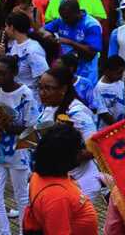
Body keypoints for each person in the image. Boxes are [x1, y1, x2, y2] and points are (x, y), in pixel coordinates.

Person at [0, 55, 36, 233]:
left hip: (19, 152)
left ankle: (22, 231)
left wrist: (6, 126)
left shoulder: (25, 94)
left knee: (22, 196)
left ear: (14, 73)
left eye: (2, 74)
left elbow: (30, 126)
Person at [35, 66, 102, 198]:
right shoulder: (49, 107)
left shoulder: (77, 113)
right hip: (59, 181)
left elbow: (94, 149)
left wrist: (62, 157)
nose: (42, 92)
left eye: (48, 88)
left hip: (82, 184)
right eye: (40, 87)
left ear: (63, 89)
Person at [22, 124, 99, 235]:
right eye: (78, 150)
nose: (82, 153)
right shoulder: (56, 197)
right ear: (64, 157)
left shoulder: (40, 176)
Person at [42, 0, 102, 86]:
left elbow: (91, 53)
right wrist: (48, 35)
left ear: (77, 13)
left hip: (86, 75)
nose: (64, 21)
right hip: (67, 73)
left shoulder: (91, 25)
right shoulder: (62, 19)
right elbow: (42, 30)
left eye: (66, 18)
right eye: (62, 17)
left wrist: (69, 42)